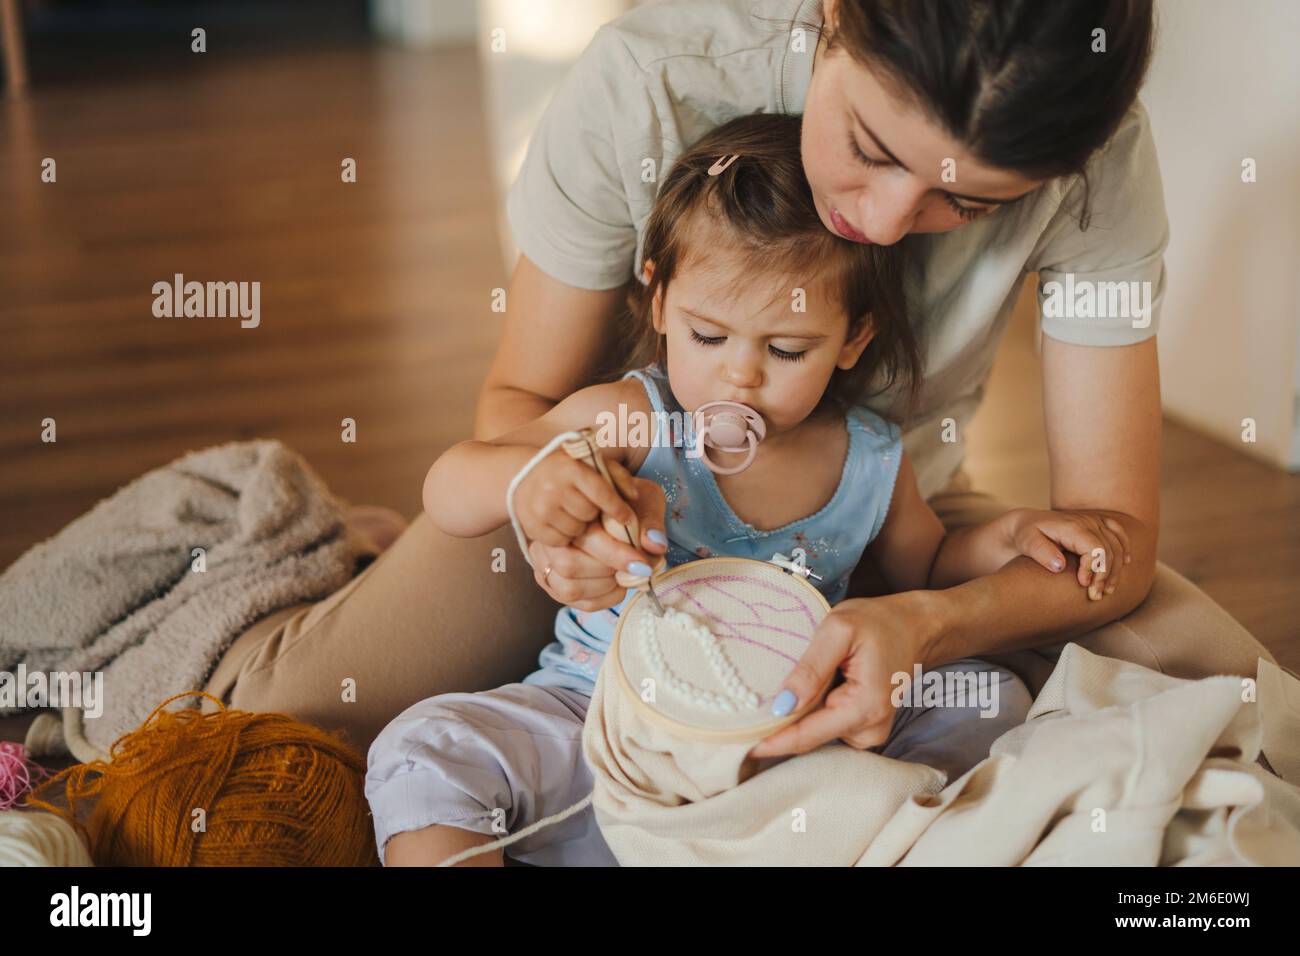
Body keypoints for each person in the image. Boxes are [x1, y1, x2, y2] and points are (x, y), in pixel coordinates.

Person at [202, 0, 1273, 765]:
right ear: (833, 14)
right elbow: (517, 410)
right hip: (631, 520)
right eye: (868, 147)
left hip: (877, 519)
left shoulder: (1100, 168)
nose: (888, 223)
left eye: (971, 205)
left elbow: (1110, 535)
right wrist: (562, 513)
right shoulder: (649, 80)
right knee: (279, 723)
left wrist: (930, 616)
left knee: (1228, 687)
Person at [363, 113, 1138, 865]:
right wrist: (528, 478)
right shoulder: (630, 419)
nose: (741, 374)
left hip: (791, 740)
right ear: (659, 299)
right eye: (708, 336)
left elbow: (927, 572)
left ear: (853, 340)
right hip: (602, 721)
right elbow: (447, 490)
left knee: (988, 699)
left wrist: (1010, 537)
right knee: (426, 749)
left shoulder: (868, 456)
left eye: (789, 348)